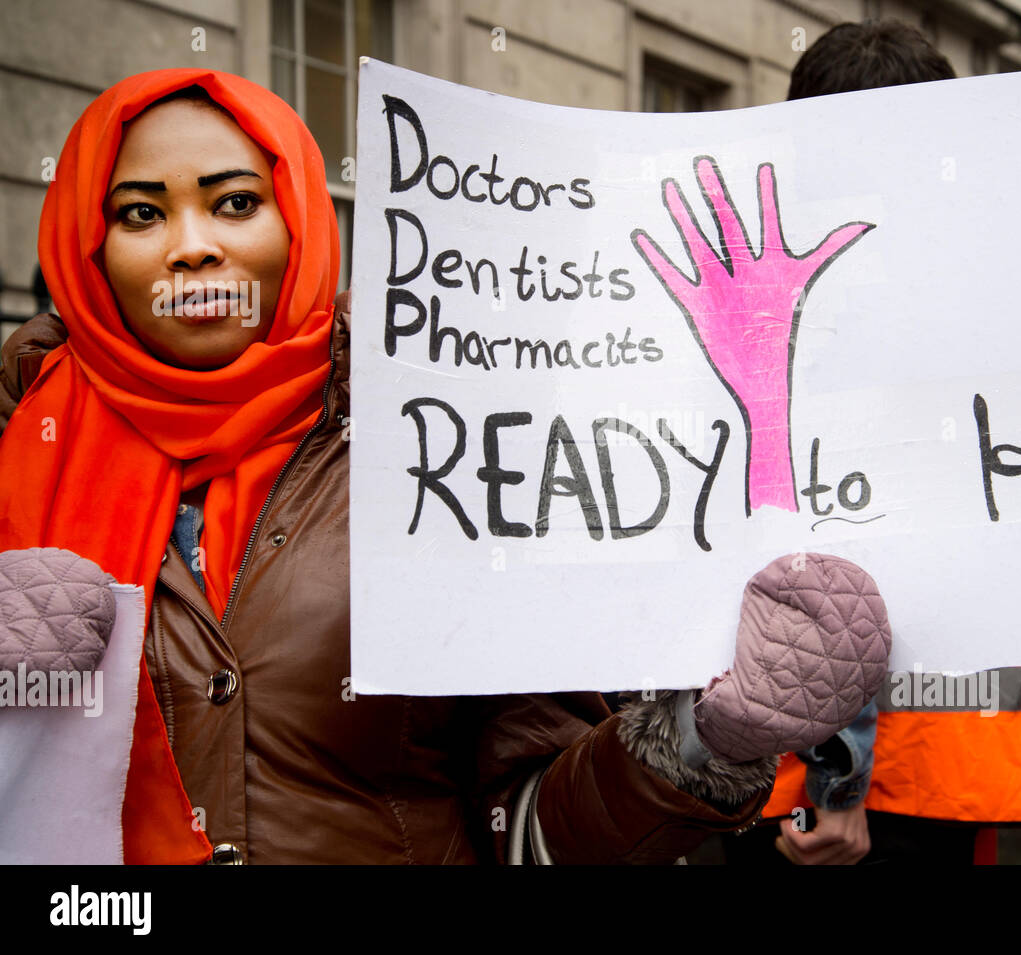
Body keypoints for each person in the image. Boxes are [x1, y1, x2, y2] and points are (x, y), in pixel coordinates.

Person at [0, 68, 892, 864]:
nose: (192, 244)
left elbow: (535, 827)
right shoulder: (18, 438)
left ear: (301, 217)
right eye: (142, 212)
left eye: (235, 201)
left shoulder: (438, 434)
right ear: (88, 243)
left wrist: (710, 737)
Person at [726, 19, 1021, 866]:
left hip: (841, 775)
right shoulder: (980, 301)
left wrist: (837, 776)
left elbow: (841, 551)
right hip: (934, 760)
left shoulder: (818, 300)